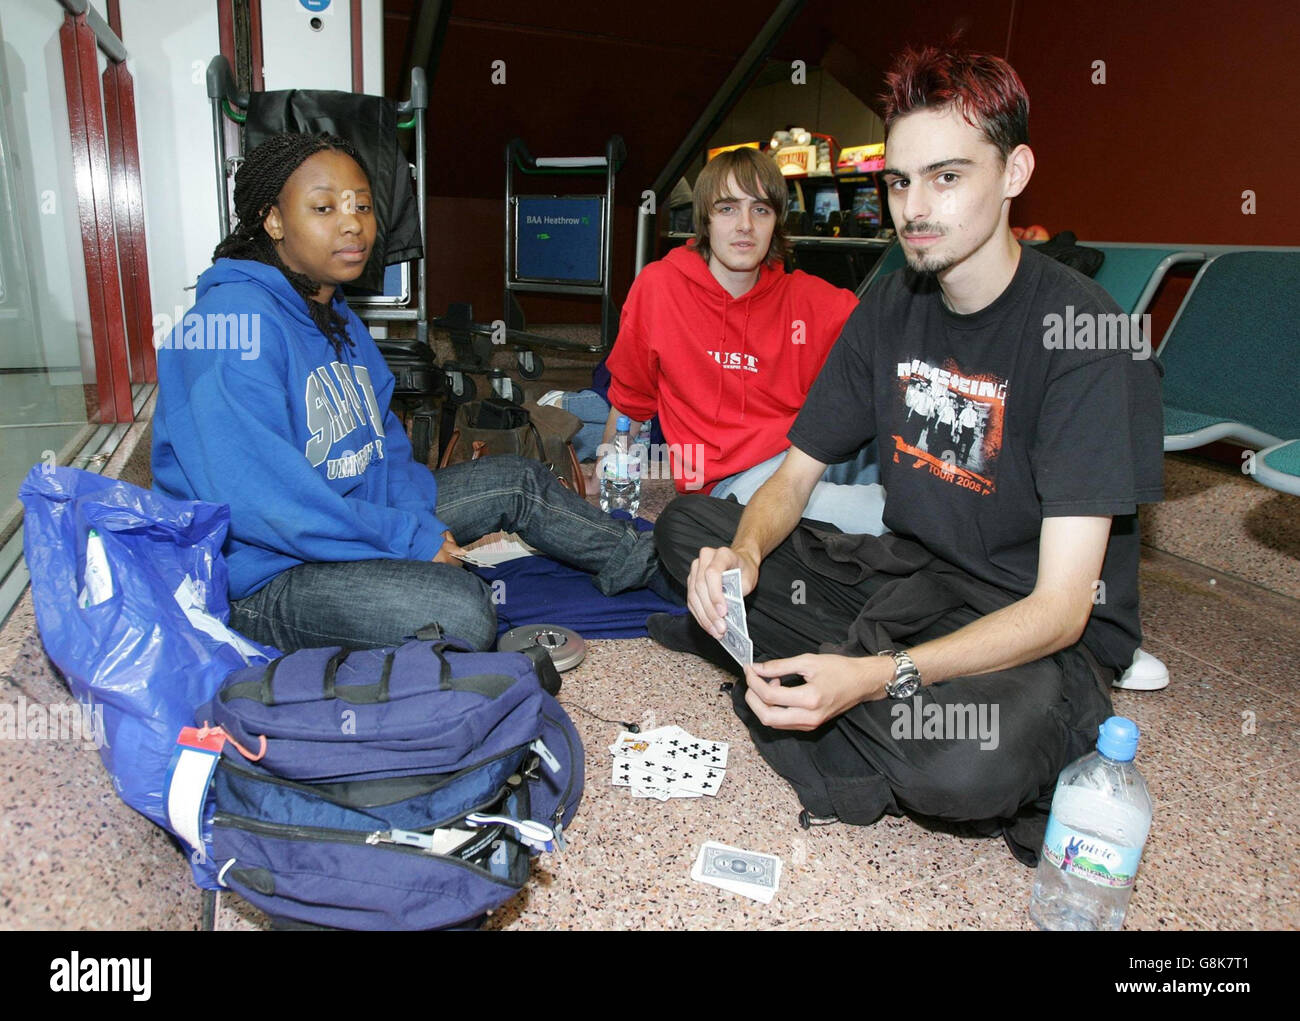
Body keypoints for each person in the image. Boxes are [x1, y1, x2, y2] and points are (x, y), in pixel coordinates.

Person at [650, 46, 1165, 862]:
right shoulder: (891, 301)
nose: (914, 209)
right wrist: (744, 556)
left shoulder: (1084, 337)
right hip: (909, 576)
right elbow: (793, 476)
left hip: (1024, 631)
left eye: (947, 178)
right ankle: (827, 674)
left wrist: (871, 676)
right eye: (898, 181)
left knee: (964, 765)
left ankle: (834, 682)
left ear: (1015, 171)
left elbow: (1063, 608)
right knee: (687, 529)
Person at [151, 132, 664, 654]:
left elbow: (384, 452)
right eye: (324, 207)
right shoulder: (227, 327)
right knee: (461, 610)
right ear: (274, 220)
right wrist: (408, 540)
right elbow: (267, 505)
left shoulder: (335, 314)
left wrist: (412, 525)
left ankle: (655, 565)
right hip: (264, 575)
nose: (353, 223)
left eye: (363, 206)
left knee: (519, 480)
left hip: (350, 518)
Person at [599, 146, 885, 535]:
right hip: (735, 485)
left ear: (776, 223)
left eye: (761, 210)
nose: (745, 225)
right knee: (886, 518)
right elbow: (629, 407)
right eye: (728, 208)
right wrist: (608, 503)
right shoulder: (659, 288)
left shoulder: (811, 300)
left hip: (812, 455)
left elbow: (889, 346)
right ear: (706, 220)